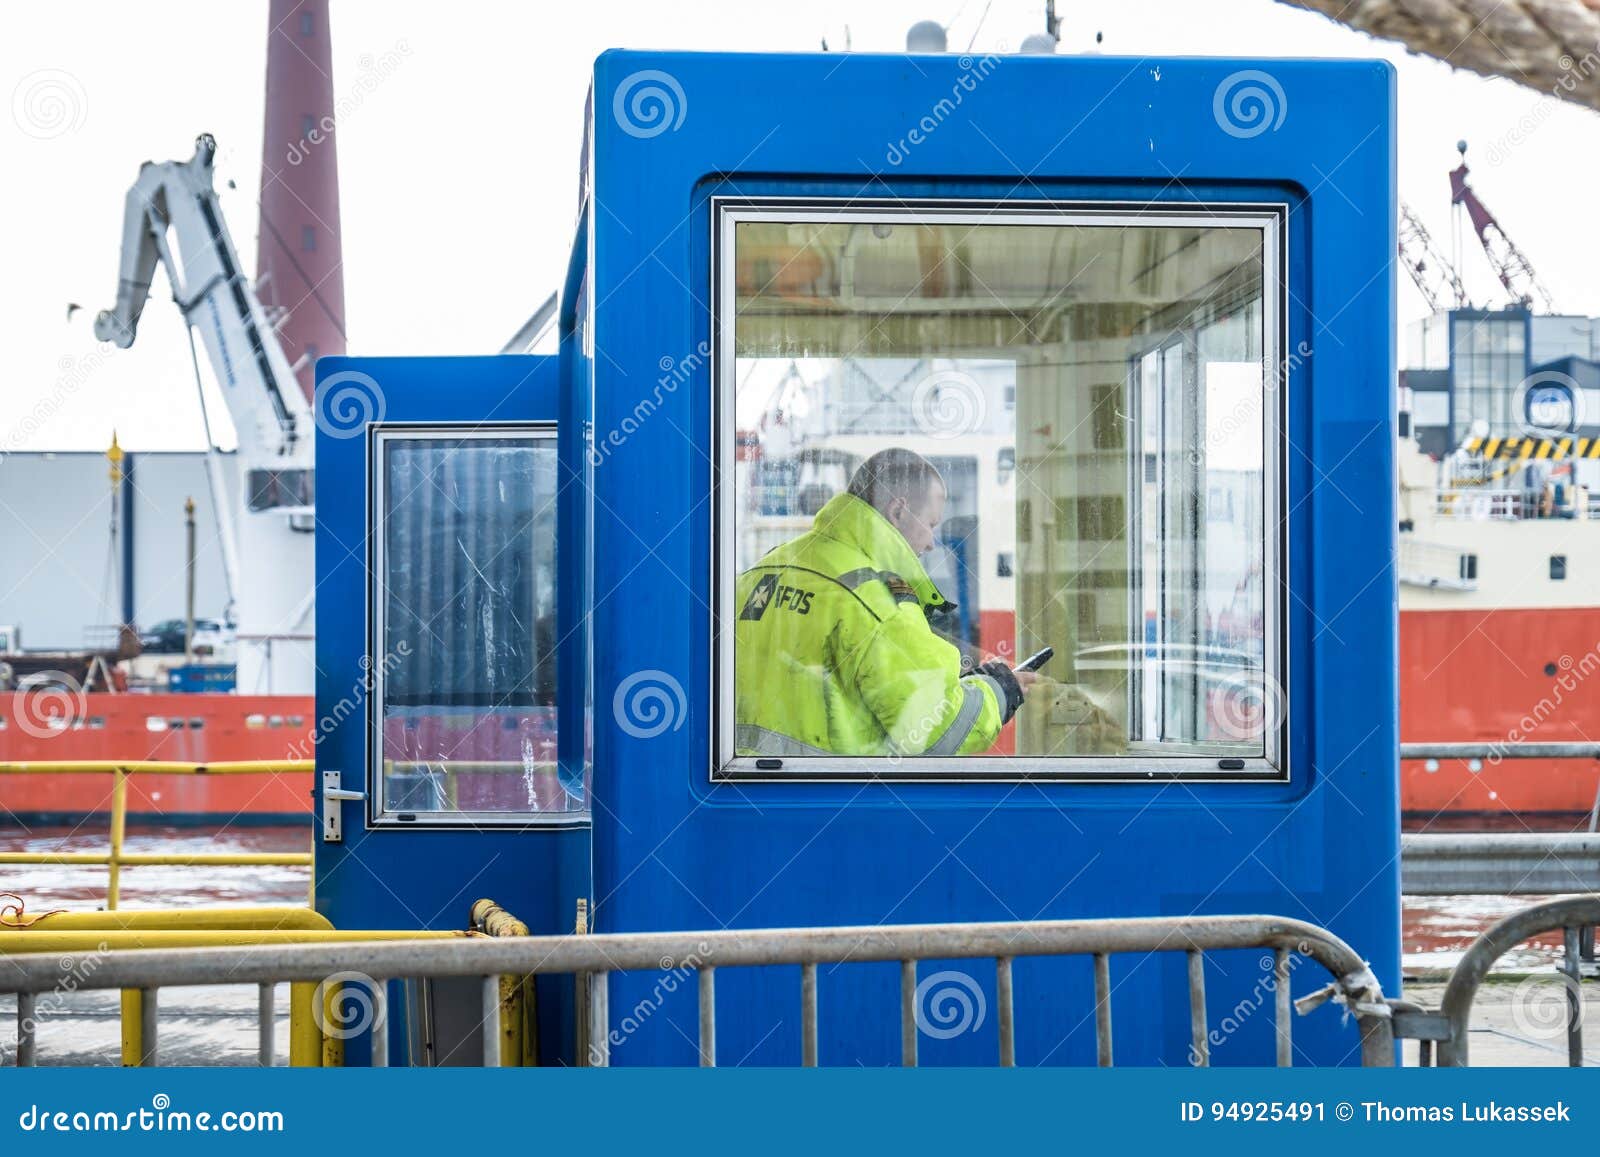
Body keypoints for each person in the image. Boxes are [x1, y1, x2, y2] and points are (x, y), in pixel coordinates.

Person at [735, 448, 1029, 757]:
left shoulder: (764, 570)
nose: (931, 542)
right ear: (898, 512)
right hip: (826, 798)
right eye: (930, 524)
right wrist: (1000, 692)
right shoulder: (874, 598)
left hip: (735, 789)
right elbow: (933, 731)